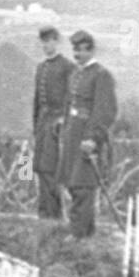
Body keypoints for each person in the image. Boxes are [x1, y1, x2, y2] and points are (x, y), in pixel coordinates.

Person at [56, 30, 118, 238]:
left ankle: (79, 233)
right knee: (72, 184)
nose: (76, 55)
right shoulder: (75, 74)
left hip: (87, 137)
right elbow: (68, 104)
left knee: (84, 186)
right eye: (74, 50)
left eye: (80, 51)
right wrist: (64, 127)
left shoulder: (101, 75)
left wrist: (93, 137)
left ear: (91, 50)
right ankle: (85, 231)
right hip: (72, 135)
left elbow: (105, 111)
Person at [31, 26, 75, 220]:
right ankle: (43, 211)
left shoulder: (67, 66)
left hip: (58, 122)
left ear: (57, 41)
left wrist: (64, 120)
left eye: (49, 41)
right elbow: (36, 100)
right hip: (42, 123)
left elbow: (73, 97)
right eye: (43, 41)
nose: (46, 45)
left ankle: (55, 213)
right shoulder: (41, 67)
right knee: (39, 167)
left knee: (51, 168)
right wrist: (35, 127)